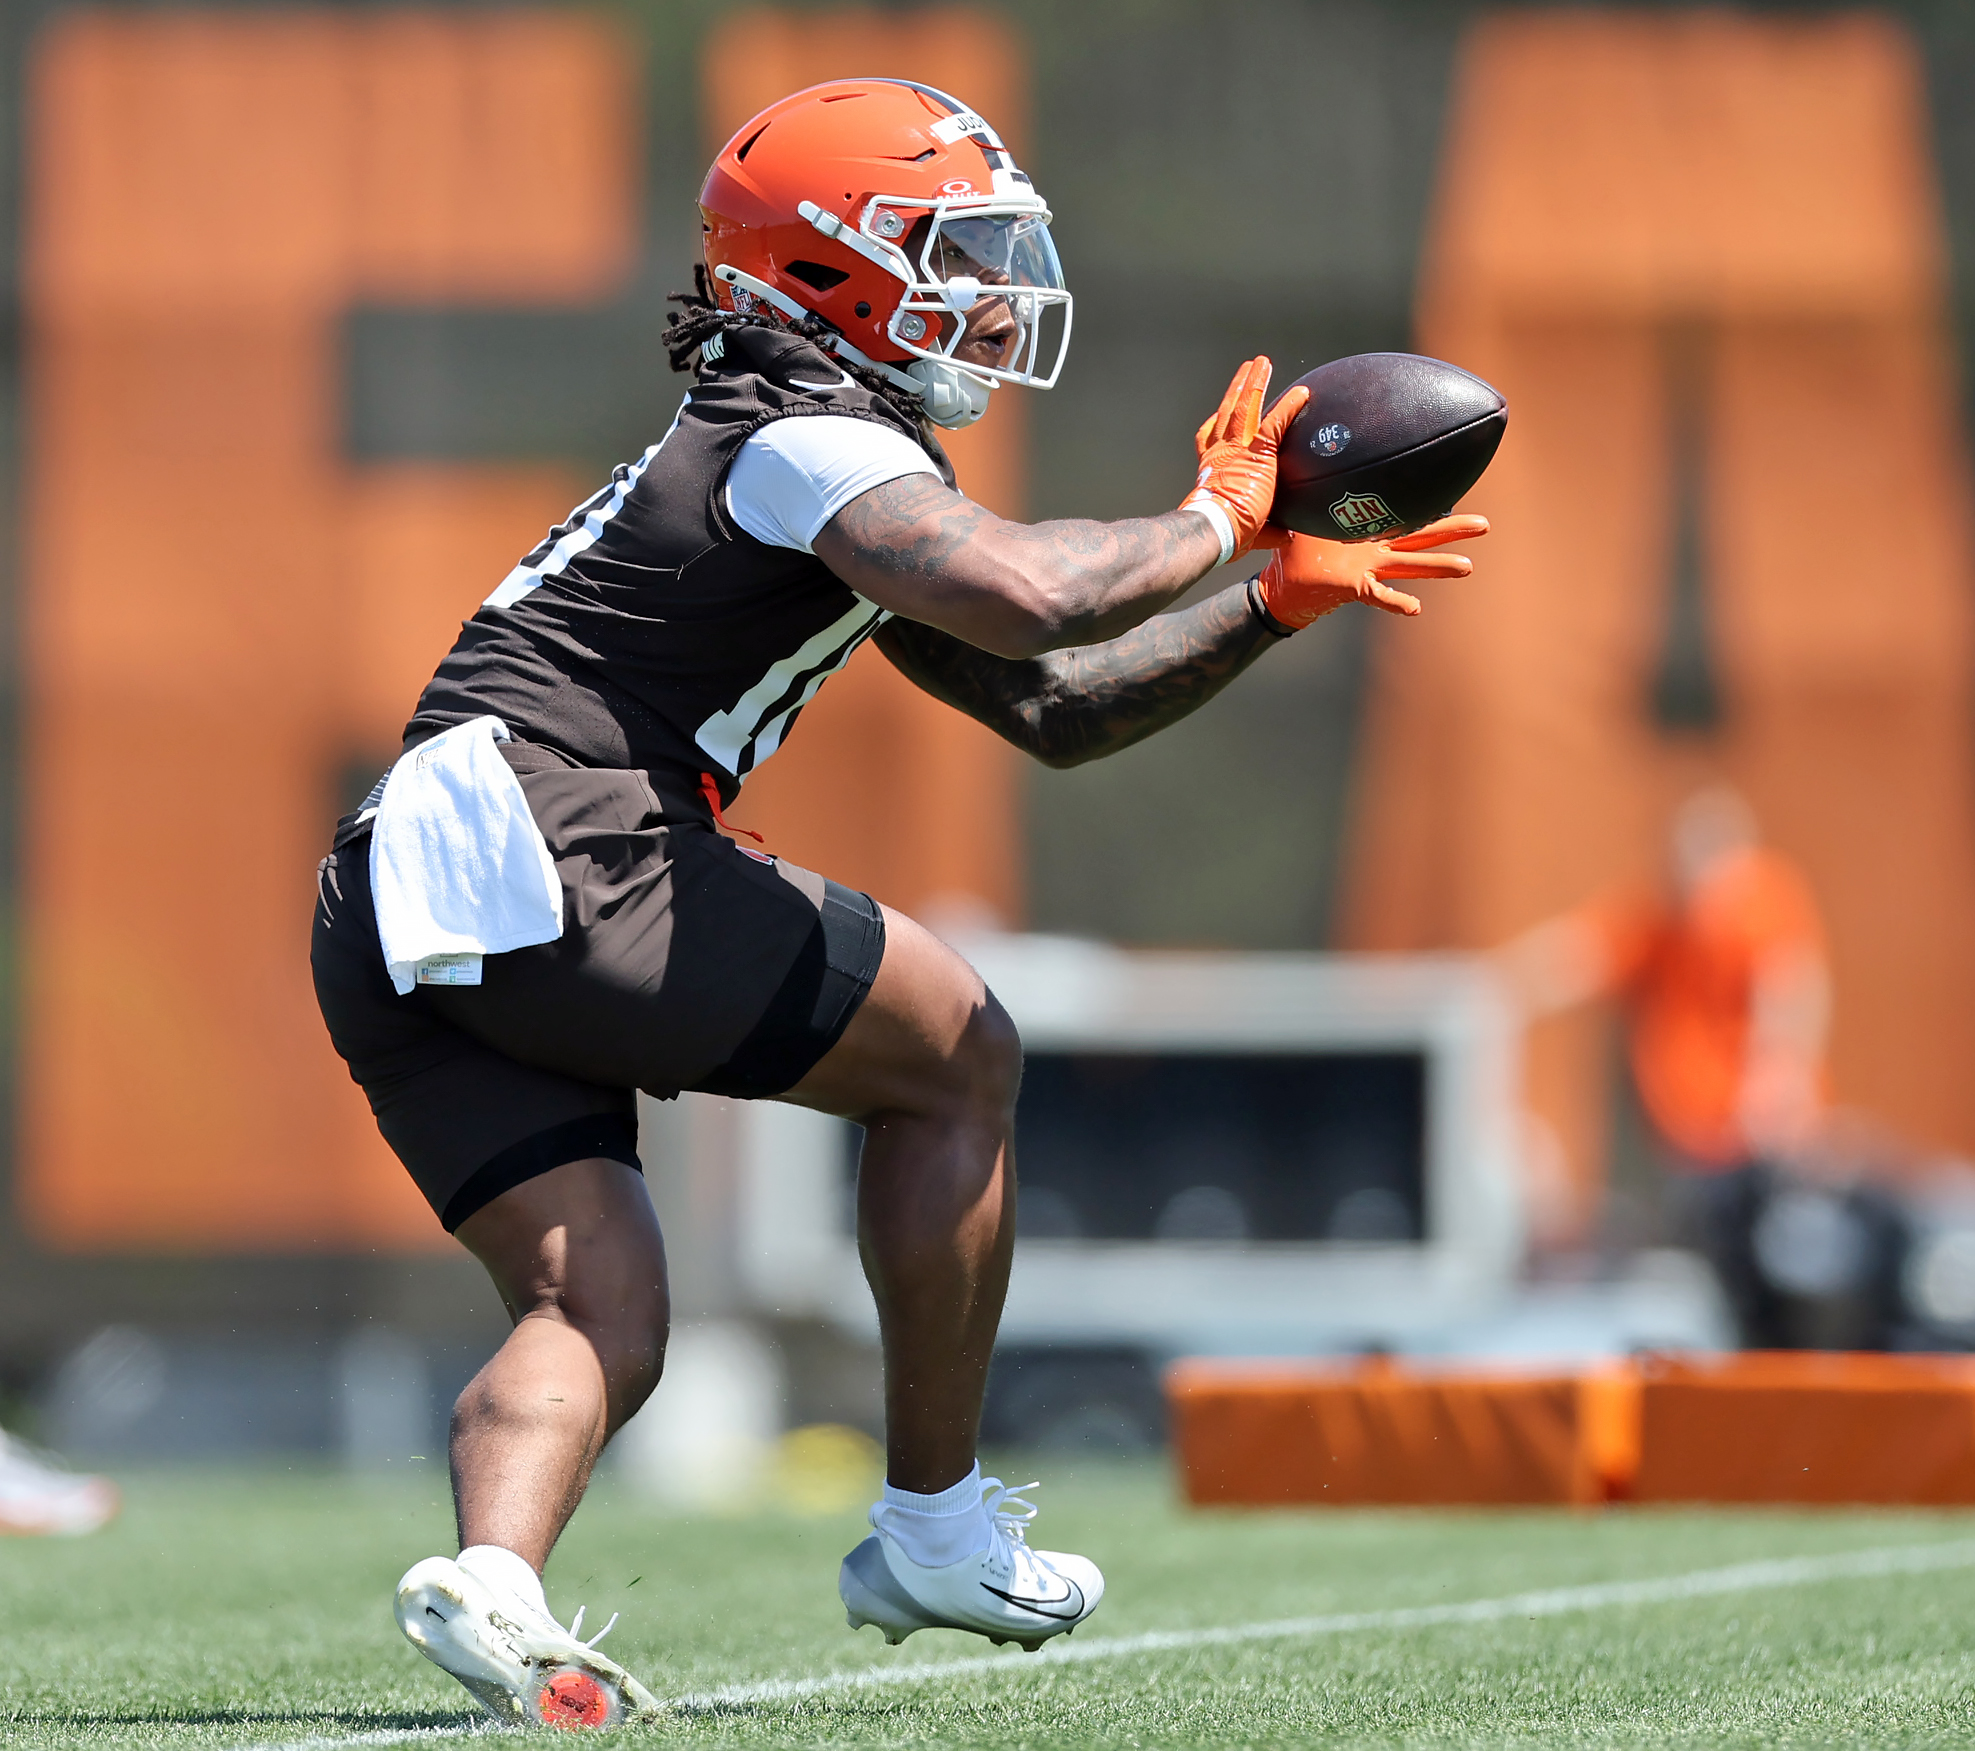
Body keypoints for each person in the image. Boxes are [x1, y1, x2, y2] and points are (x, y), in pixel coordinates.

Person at [309, 77, 1482, 1728]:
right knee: (956, 1045)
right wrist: (1225, 510)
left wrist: (1267, 601)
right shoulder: (802, 438)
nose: (992, 295)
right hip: (559, 835)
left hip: (400, 888)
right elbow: (1030, 598)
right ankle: (931, 1524)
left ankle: (489, 1581)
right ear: (834, 269)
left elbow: (1056, 708)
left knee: (597, 1306)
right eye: (953, 252)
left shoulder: (801, 457)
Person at [1498, 786, 1832, 1338]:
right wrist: (1497, 983)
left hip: (1760, 1142)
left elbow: (1789, 988)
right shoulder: (1660, 918)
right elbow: (1581, 953)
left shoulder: (1764, 902)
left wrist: (1775, 1080)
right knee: (1703, 1282)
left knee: (1777, 1282)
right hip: (1691, 1144)